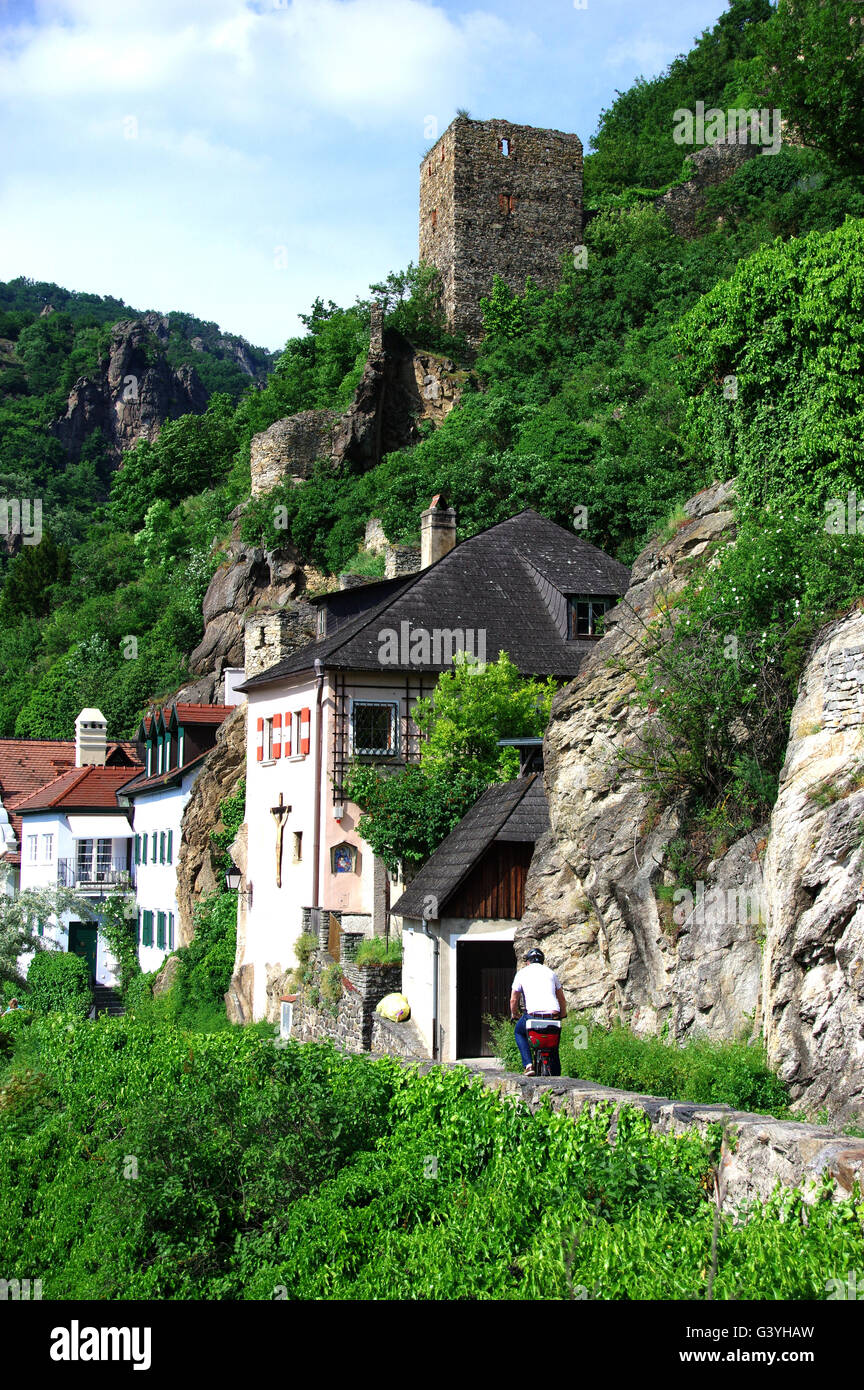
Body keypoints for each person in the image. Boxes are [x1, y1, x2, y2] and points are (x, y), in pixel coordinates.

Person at [510, 948, 566, 1076]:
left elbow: (513, 999)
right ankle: (556, 1073)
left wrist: (515, 1014)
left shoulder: (522, 973)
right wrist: (562, 1014)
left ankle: (529, 1065)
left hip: (532, 1016)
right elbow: (561, 998)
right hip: (553, 1015)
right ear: (542, 961)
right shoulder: (551, 973)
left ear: (528, 961)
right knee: (554, 1046)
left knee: (519, 1032)